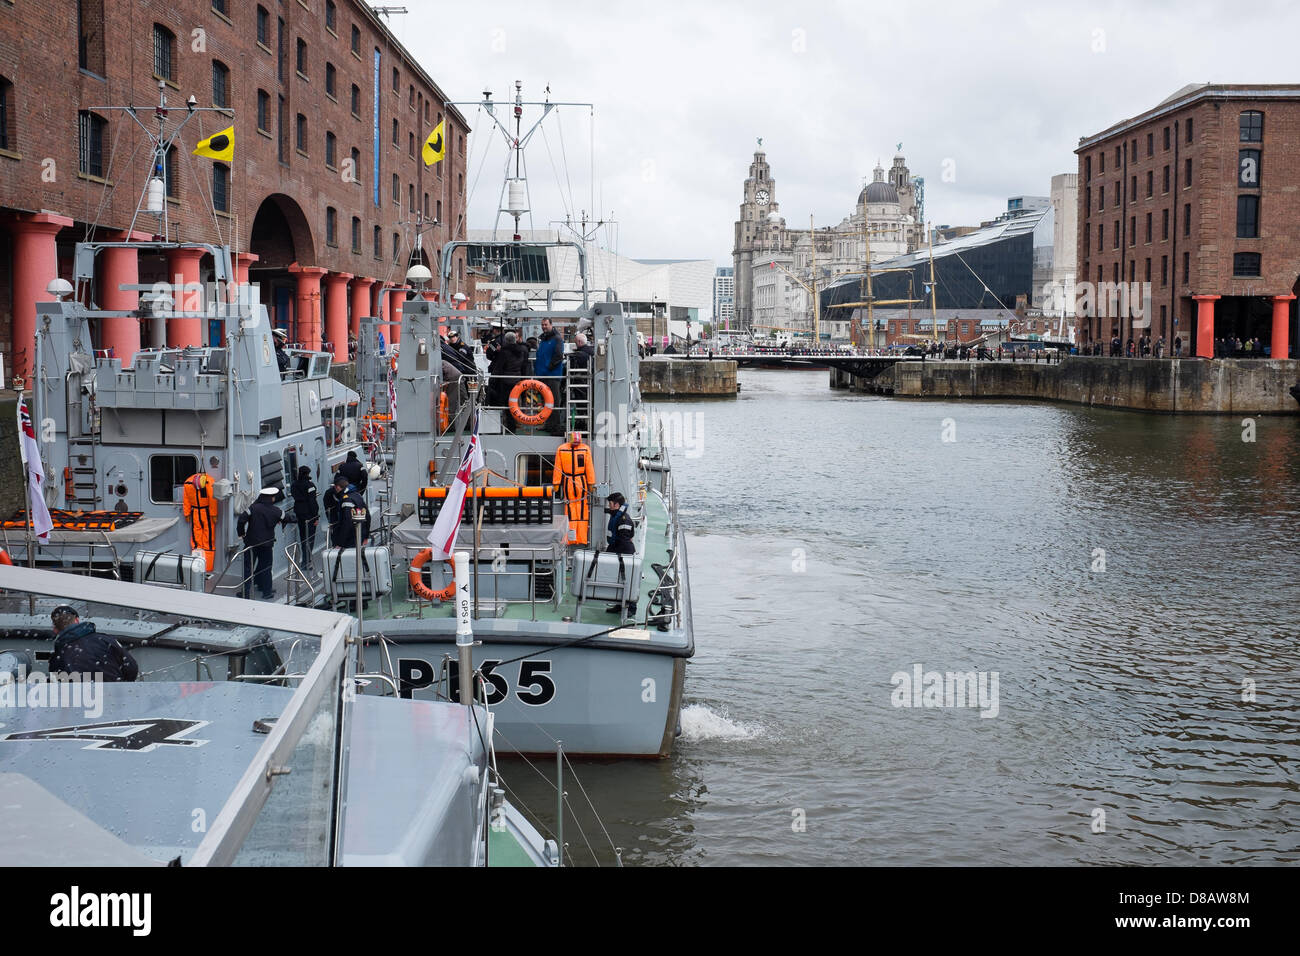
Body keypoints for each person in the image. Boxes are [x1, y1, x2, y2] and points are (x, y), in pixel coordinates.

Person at [48, 605, 139, 682]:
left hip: (81, 701)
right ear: (76, 620)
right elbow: (131, 669)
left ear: (55, 629)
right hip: (116, 698)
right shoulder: (106, 640)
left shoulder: (57, 658)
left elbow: (59, 688)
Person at [237, 487, 283, 600]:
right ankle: (266, 592)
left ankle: (246, 593)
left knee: (248, 568)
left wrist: (241, 534)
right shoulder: (276, 511)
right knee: (266, 567)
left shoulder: (252, 508)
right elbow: (288, 517)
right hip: (267, 544)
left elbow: (241, 520)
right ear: (271, 498)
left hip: (251, 543)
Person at [553, 432, 596, 546]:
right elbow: (558, 467)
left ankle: (581, 538)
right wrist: (556, 482)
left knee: (582, 511)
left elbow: (589, 467)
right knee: (570, 511)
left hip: (581, 481)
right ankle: (571, 538)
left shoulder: (585, 449)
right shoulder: (561, 449)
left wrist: (591, 483)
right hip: (568, 482)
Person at [602, 492, 637, 617]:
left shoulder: (624, 520)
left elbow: (625, 539)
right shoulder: (616, 516)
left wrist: (614, 556)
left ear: (617, 504)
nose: (609, 506)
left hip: (624, 554)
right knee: (617, 580)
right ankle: (619, 604)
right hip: (616, 551)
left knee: (627, 580)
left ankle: (631, 608)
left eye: (610, 504)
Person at [289, 465, 320, 571]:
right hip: (309, 515)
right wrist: (316, 517)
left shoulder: (294, 485)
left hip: (299, 513)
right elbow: (312, 502)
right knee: (310, 538)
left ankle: (305, 561)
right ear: (308, 474)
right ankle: (307, 562)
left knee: (303, 538)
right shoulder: (310, 485)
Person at [322, 473, 348, 546]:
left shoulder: (345, 493)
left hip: (342, 516)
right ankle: (336, 545)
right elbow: (327, 505)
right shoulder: (329, 493)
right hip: (335, 517)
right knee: (336, 532)